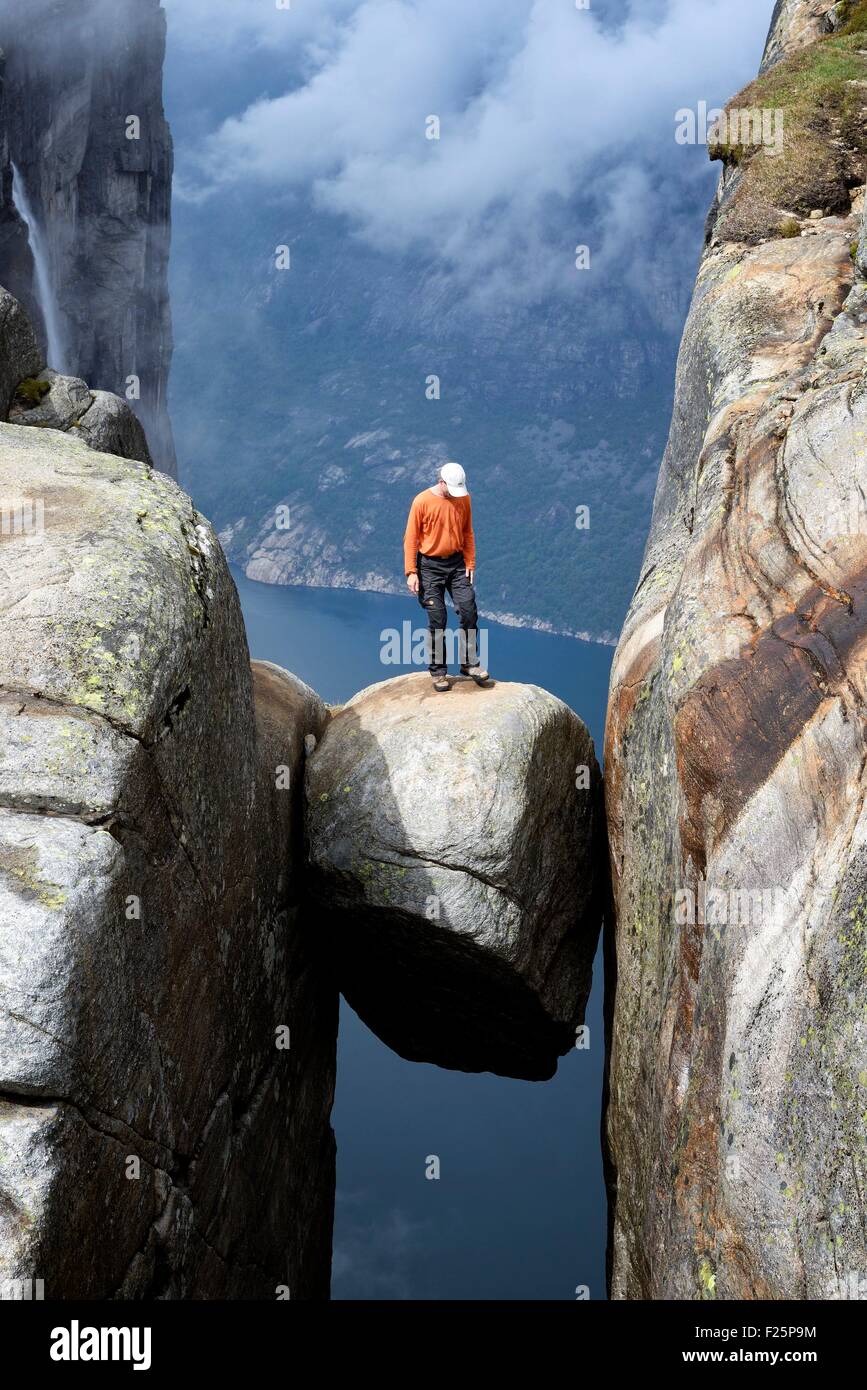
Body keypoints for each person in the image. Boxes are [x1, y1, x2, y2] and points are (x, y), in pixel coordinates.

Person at [403, 461, 490, 692]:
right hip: (429, 566)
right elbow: (411, 538)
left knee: (468, 609)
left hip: (457, 563)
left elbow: (467, 531)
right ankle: (438, 672)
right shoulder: (422, 501)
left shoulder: (464, 498)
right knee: (437, 618)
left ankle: (470, 663)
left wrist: (470, 562)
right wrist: (411, 571)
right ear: (441, 482)